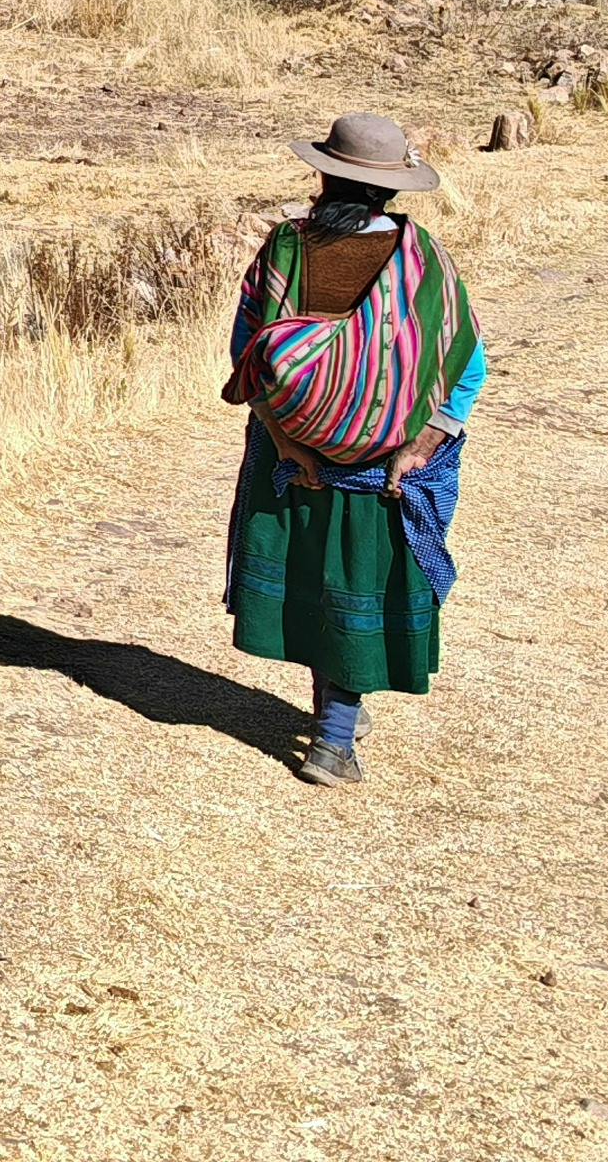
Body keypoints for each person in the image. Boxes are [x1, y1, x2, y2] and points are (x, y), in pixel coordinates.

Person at [221, 111, 485, 785]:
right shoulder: (421, 259)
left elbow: (246, 358)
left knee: (316, 576)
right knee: (356, 581)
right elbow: (465, 364)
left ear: (324, 175)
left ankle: (336, 716)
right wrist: (421, 446)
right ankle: (334, 743)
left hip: (297, 454)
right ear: (390, 189)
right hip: (386, 460)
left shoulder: (285, 250)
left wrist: (288, 440)